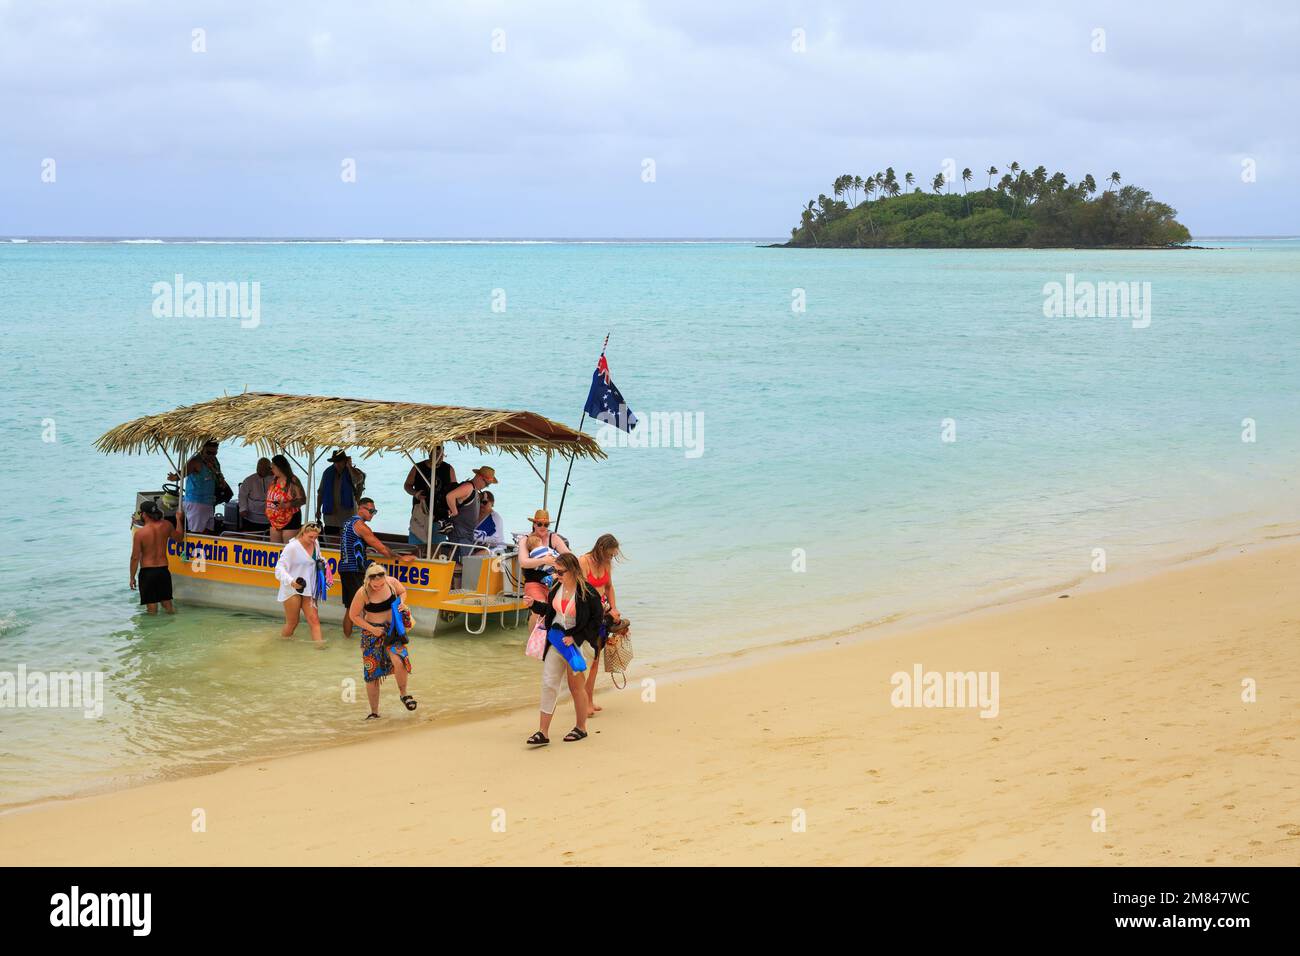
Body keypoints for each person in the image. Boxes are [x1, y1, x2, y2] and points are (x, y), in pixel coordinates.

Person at [526, 553, 602, 745]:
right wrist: (534, 604)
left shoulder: (588, 593)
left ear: (574, 570)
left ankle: (581, 728)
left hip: (578, 644)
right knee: (548, 683)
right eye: (555, 571)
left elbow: (596, 621)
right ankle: (543, 732)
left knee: (576, 687)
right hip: (557, 640)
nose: (556, 575)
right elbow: (550, 612)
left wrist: (576, 637)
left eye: (560, 572)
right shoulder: (556, 588)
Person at [351, 562, 417, 718]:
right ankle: (374, 712)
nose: (378, 587)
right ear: (368, 581)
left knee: (399, 659)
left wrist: (401, 602)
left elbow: (402, 592)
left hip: (392, 629)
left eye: (381, 584)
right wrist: (372, 629)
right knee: (372, 674)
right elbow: (353, 616)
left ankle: (404, 694)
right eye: (375, 585)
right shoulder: (363, 593)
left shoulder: (391, 582)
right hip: (372, 633)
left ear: (385, 578)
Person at [338, 498, 411, 638]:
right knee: (365, 608)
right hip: (355, 570)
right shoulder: (360, 525)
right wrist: (400, 558)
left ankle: (346, 641)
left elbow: (354, 544)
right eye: (371, 511)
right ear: (360, 508)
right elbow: (381, 547)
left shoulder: (347, 523)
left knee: (350, 608)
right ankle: (371, 638)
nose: (373, 514)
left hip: (344, 568)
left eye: (375, 511)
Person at [578, 534, 624, 717]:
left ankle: (588, 700)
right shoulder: (583, 561)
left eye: (613, 556)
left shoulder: (606, 564)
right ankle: (582, 700)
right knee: (586, 660)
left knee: (596, 660)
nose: (611, 558)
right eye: (610, 555)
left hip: (601, 615)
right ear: (601, 549)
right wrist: (602, 608)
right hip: (586, 616)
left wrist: (614, 608)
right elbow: (580, 591)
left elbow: (608, 587)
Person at [273, 521, 324, 644]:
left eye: (315, 537)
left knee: (314, 620)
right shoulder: (292, 547)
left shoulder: (315, 543)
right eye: (310, 537)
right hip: (292, 588)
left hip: (309, 588)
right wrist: (291, 581)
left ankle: (320, 649)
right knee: (293, 622)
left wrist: (323, 563)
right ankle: (281, 645)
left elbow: (318, 558)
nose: (313, 540)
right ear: (302, 534)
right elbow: (279, 569)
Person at [519, 508, 571, 630]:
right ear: (534, 524)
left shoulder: (554, 538)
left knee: (562, 611)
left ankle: (551, 640)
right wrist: (544, 561)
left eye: (546, 524)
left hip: (554, 581)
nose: (543, 527)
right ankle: (533, 641)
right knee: (538, 610)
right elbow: (523, 562)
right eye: (539, 524)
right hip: (534, 582)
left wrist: (559, 564)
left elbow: (569, 557)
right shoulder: (526, 540)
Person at [131, 501, 185, 613]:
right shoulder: (166, 525)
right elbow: (179, 538)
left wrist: (132, 577)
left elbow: (135, 558)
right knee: (167, 605)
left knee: (152, 608)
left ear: (144, 514)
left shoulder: (140, 534)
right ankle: (172, 626)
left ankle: (152, 630)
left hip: (147, 572)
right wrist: (179, 520)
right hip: (163, 571)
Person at [404, 447, 455, 552]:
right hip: (421, 514)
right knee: (416, 548)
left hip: (440, 516)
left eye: (441, 455)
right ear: (429, 453)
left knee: (436, 549)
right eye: (436, 455)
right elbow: (407, 485)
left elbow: (454, 490)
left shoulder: (448, 468)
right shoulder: (418, 468)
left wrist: (452, 507)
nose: (439, 458)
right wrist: (416, 494)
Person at [316, 449, 366, 534]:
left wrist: (349, 466)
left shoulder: (353, 472)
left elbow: (358, 479)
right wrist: (318, 509)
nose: (337, 464)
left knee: (347, 541)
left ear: (345, 461)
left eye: (339, 461)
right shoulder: (327, 473)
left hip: (348, 515)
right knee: (331, 540)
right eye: (335, 462)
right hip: (330, 516)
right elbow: (321, 492)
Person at [182, 439, 227, 533]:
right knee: (196, 532)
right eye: (209, 452)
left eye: (214, 453)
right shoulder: (195, 461)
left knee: (208, 531)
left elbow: (218, 474)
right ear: (202, 449)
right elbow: (181, 474)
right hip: (196, 502)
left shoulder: (214, 461)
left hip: (210, 501)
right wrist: (174, 477)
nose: (211, 455)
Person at [446, 466, 497, 546]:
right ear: (479, 477)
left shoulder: (474, 489)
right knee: (460, 557)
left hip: (466, 535)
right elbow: (450, 496)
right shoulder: (469, 487)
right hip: (460, 535)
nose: (486, 487)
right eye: (486, 484)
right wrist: (454, 511)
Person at [265, 454, 307, 544]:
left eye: (273, 467)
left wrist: (287, 505)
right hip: (274, 521)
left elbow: (303, 499)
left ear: (280, 467)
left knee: (288, 550)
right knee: (275, 551)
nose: (271, 469)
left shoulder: (293, 480)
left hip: (290, 519)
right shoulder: (274, 479)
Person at [238, 458, 273, 533]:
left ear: (269, 468)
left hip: (269, 516)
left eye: (265, 468)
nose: (261, 469)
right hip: (252, 516)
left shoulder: (275, 479)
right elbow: (242, 495)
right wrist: (243, 509)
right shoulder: (249, 480)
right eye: (259, 467)